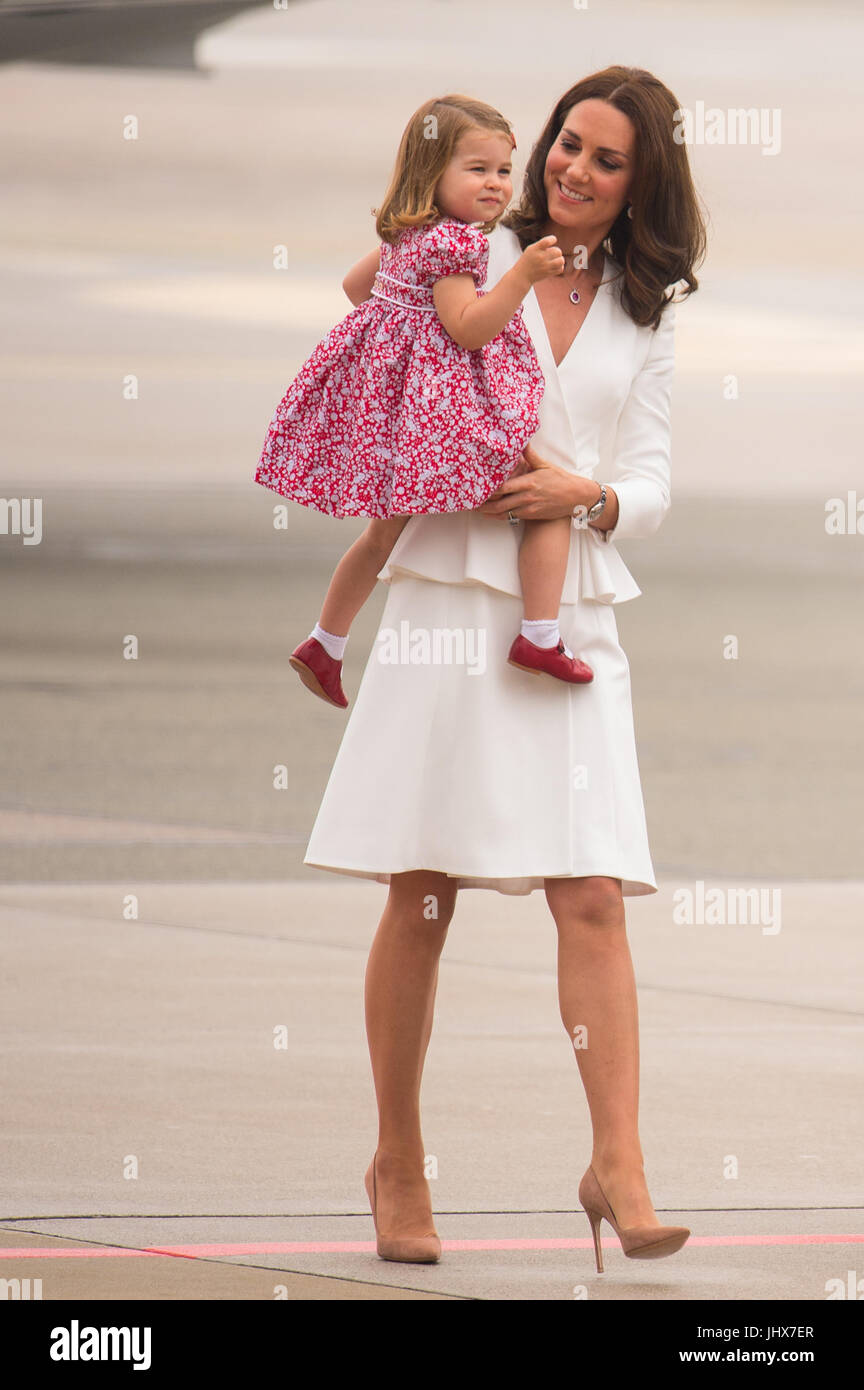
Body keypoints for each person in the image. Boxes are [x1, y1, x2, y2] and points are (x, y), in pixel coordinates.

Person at [302, 67, 707, 1271]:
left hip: (565, 604)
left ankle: (618, 1163)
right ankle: (397, 1158)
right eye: (566, 145)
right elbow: (365, 303)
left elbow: (653, 477)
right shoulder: (472, 246)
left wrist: (589, 497)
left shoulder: (650, 309)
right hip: (444, 593)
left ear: (645, 185)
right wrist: (422, 251)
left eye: (606, 160)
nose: (573, 169)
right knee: (419, 891)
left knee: (590, 891)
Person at [254, 94, 594, 698]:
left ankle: (325, 641)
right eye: (477, 169)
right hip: (441, 417)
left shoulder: (408, 232)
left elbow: (358, 287)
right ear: (430, 171)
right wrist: (521, 277)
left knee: (381, 535)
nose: (495, 185)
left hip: (400, 411)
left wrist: (403, 346)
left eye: (503, 171)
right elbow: (469, 327)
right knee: (548, 496)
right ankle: (539, 636)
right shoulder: (458, 244)